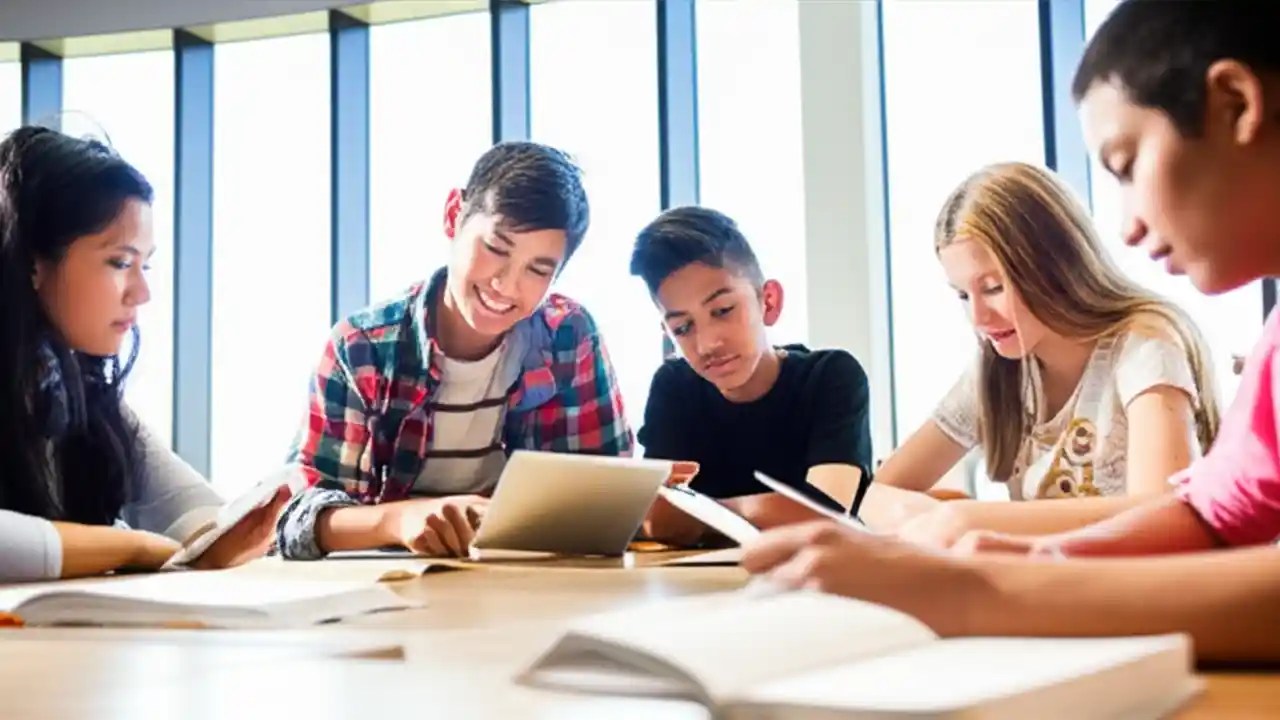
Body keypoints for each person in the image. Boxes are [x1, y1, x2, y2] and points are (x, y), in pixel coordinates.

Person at [741, 0, 1280, 664]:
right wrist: (1008, 552)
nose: (1130, 226)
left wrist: (982, 584)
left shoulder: (1145, 341)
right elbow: (1209, 518)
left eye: (1127, 163)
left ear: (1235, 104)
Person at [276, 141, 633, 560]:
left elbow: (607, 495)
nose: (506, 284)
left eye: (538, 270)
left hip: (525, 582)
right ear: (453, 216)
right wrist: (401, 519)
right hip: (393, 585)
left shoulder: (569, 337)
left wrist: (634, 493)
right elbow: (299, 519)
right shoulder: (363, 348)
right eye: (496, 249)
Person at [869, 161, 1220, 547]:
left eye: (993, 288)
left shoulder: (1145, 343)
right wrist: (946, 513)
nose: (978, 318)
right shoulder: (997, 366)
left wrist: (970, 518)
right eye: (963, 295)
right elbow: (871, 495)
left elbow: (1160, 511)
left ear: (1053, 264)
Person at [0, 126, 284, 582]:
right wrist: (132, 545)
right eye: (119, 262)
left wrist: (225, 535)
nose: (143, 292)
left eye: (144, 265)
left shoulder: (81, 392)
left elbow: (194, 511)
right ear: (33, 262)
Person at [629, 206, 873, 545]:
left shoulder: (831, 377)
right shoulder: (674, 387)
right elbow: (660, 516)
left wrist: (701, 515)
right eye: (683, 328)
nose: (708, 343)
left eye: (724, 311)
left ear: (768, 302)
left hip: (816, 583)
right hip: (698, 587)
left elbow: (825, 515)